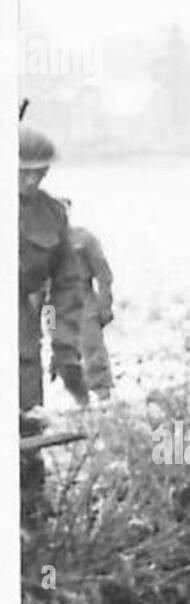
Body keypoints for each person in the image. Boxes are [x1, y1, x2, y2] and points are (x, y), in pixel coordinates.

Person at [19, 125, 86, 516]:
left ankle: (31, 514)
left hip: (21, 335)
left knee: (29, 423)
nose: (31, 180)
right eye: (21, 171)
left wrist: (64, 348)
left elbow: (67, 285)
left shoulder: (53, 214)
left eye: (39, 172)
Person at [63, 200, 115, 400]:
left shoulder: (84, 239)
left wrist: (105, 306)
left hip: (83, 301)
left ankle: (103, 397)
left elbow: (104, 274)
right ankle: (79, 402)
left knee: (93, 352)